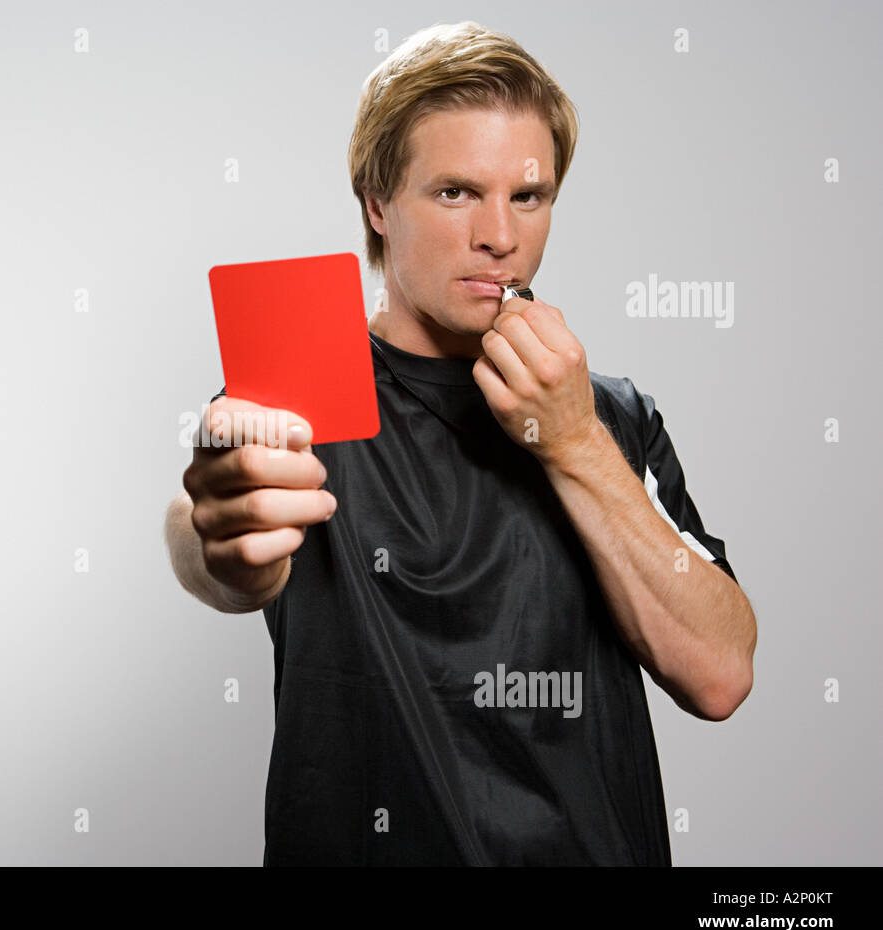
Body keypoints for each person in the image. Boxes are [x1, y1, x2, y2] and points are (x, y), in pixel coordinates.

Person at [164, 21, 757, 866]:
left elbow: (721, 672)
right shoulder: (301, 390)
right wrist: (219, 541)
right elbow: (210, 524)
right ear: (376, 201)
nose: (499, 236)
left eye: (528, 196)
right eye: (454, 193)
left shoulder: (614, 417)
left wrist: (575, 442)